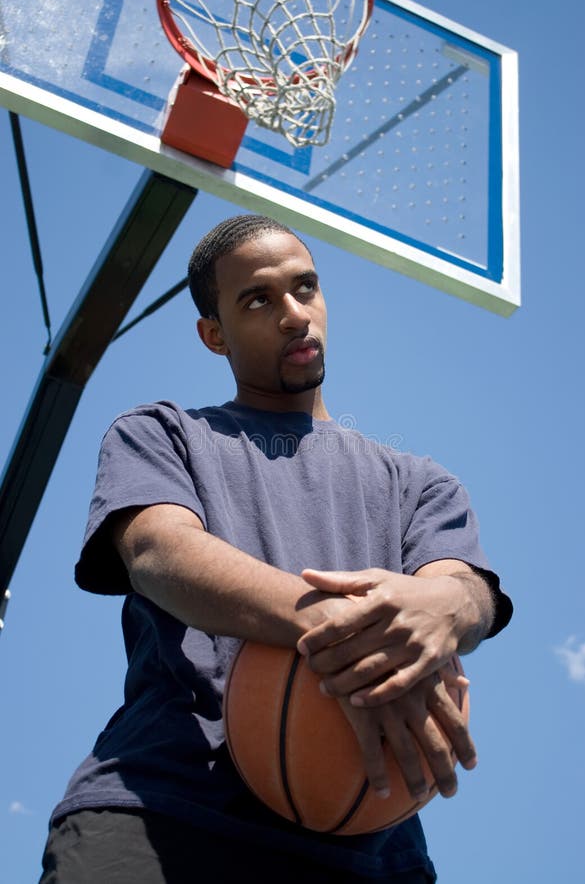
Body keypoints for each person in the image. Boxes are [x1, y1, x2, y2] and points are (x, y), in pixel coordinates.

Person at [40, 214, 512, 883]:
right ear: (214, 334)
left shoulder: (420, 485)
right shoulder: (161, 434)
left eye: (304, 288)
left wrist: (445, 605)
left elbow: (462, 590)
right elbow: (158, 553)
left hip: (371, 851)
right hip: (166, 812)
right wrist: (336, 632)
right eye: (258, 299)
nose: (293, 314)